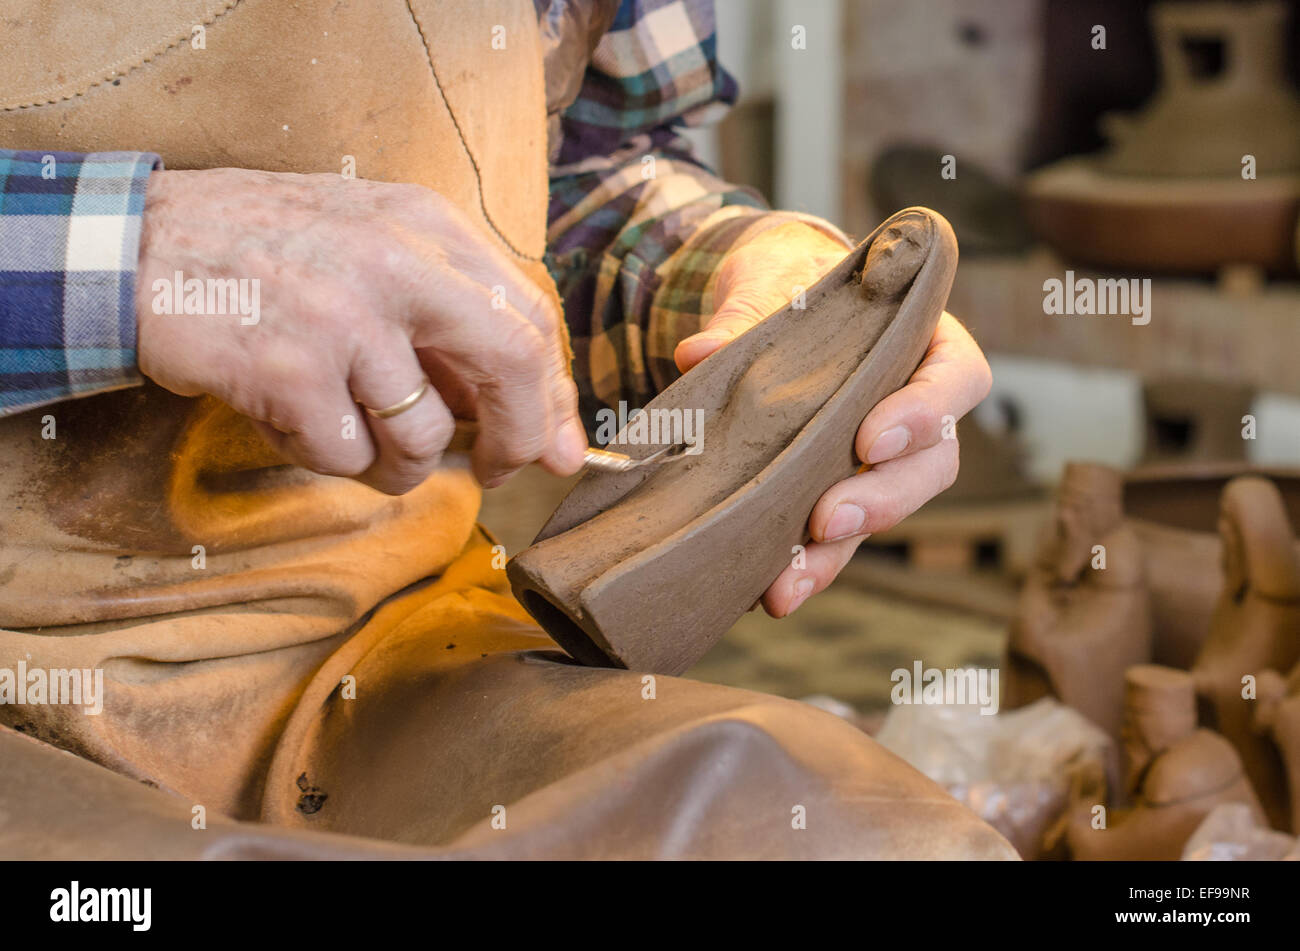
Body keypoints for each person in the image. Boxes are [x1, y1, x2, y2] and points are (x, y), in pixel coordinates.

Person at [0, 0, 1008, 859]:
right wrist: (134, 259)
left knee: (855, 836)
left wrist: (756, 293)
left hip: (368, 650)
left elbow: (577, 177)